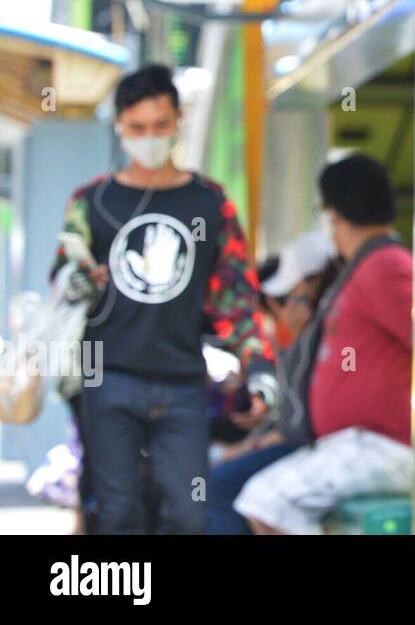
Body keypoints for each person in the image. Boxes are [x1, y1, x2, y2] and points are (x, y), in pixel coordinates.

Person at [51, 64, 275, 535]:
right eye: (137, 128)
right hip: (105, 376)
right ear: (119, 127)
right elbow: (61, 276)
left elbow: (236, 296)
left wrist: (259, 368)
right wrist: (75, 278)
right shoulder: (92, 202)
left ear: (178, 121)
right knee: (116, 513)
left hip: (182, 383)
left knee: (189, 513)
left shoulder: (211, 203)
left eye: (160, 125)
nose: (149, 137)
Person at [234, 154, 414, 534]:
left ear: (333, 215)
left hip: (384, 444)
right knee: (262, 500)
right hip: (353, 443)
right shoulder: (367, 266)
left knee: (266, 501)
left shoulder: (385, 265)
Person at [207, 231, 337, 534]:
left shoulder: (323, 338)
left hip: (315, 447)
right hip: (300, 443)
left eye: (288, 299)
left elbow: (306, 426)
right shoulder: (302, 342)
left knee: (221, 489)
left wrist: (254, 445)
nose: (282, 311)